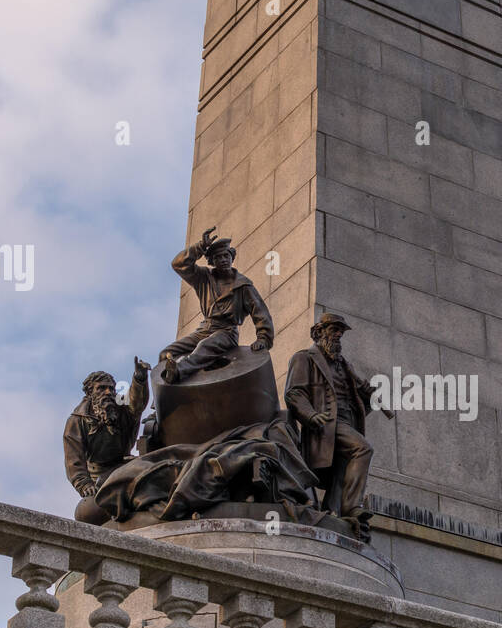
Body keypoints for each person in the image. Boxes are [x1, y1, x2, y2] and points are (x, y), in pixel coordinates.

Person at [284, 313, 391, 539]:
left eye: (341, 331)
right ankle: (352, 507)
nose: (339, 335)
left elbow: (355, 402)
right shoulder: (305, 358)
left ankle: (334, 513)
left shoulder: (345, 365)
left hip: (348, 422)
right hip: (326, 424)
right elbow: (294, 393)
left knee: (342, 470)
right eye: (334, 330)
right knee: (363, 448)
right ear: (319, 332)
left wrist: (368, 398)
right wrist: (311, 416)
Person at [159, 228, 273, 384]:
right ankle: (163, 397)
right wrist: (200, 246)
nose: (224, 260)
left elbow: (260, 313)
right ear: (212, 262)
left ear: (232, 257)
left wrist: (263, 338)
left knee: (204, 347)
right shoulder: (204, 278)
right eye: (219, 258)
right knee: (166, 353)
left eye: (226, 256)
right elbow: (178, 264)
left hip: (226, 332)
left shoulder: (243, 285)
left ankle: (178, 370)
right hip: (204, 329)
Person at [63, 359, 150, 524]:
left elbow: (136, 404)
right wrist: (84, 484)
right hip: (99, 475)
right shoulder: (77, 421)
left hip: (124, 465)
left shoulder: (120, 407)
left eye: (111, 388)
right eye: (101, 388)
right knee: (90, 509)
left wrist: (139, 379)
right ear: (90, 393)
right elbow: (73, 460)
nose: (108, 392)